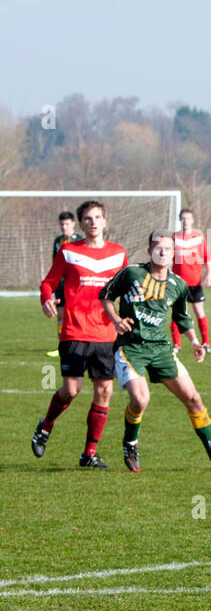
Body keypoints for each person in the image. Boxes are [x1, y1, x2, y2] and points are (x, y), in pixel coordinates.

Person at [99, 231, 211, 472]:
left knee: (193, 398)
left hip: (161, 349)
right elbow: (105, 295)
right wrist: (115, 320)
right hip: (131, 348)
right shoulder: (132, 273)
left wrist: (195, 342)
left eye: (167, 248)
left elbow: (182, 317)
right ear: (149, 251)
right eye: (157, 247)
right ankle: (131, 441)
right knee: (140, 399)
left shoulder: (178, 284)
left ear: (173, 252)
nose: (163, 251)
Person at [32, 200, 126, 468]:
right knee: (71, 390)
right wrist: (46, 298)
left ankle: (89, 454)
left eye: (97, 217)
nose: (93, 222)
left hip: (106, 333)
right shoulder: (68, 251)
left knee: (104, 392)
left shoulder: (119, 254)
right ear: (81, 224)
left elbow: (125, 289)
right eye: (87, 218)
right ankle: (46, 425)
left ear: (105, 222)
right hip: (74, 330)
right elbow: (49, 282)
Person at [172, 208, 211, 353]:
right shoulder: (174, 237)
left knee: (198, 311)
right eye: (183, 218)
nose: (185, 221)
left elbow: (207, 257)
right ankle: (177, 345)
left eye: (188, 218)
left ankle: (206, 343)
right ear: (179, 220)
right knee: (178, 312)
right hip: (178, 282)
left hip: (195, 282)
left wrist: (210, 274)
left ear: (193, 220)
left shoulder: (199, 236)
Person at [45, 211, 82, 358]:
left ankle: (79, 342)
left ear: (73, 224)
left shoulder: (79, 239)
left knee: (75, 313)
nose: (64, 226)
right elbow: (56, 263)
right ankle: (61, 346)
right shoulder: (57, 240)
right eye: (62, 224)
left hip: (74, 284)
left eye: (67, 223)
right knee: (60, 314)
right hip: (61, 284)